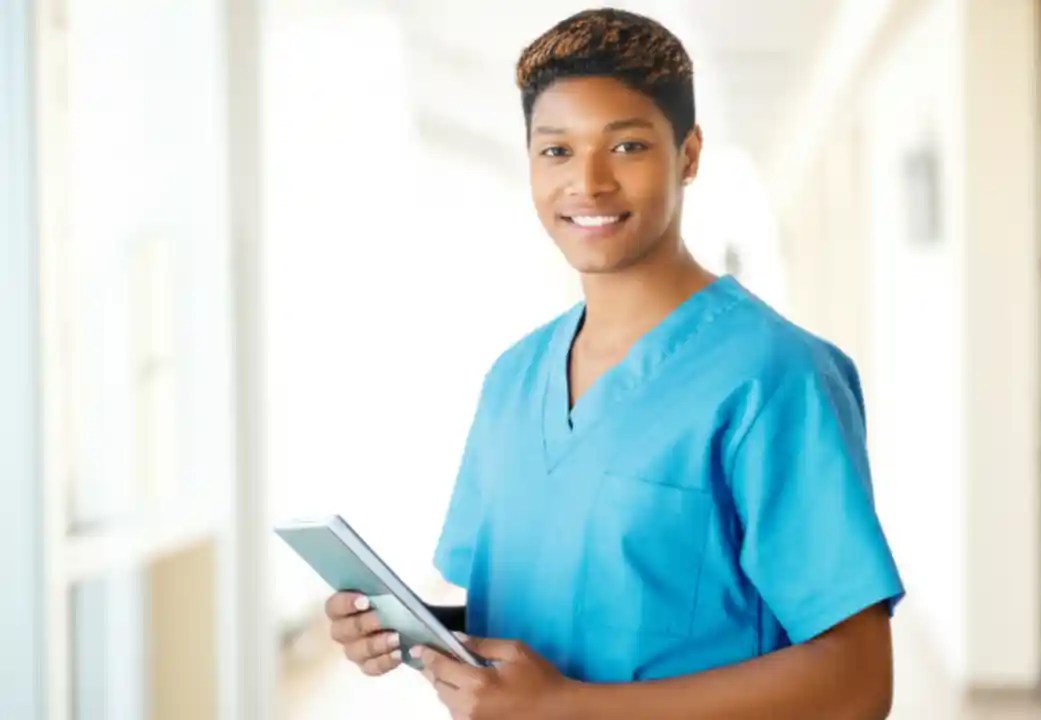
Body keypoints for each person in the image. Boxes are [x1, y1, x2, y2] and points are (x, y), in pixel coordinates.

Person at [323, 8, 904, 719]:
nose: (588, 183)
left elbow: (856, 682)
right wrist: (412, 630)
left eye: (626, 147)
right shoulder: (513, 380)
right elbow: (538, 609)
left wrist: (567, 705)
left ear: (688, 155)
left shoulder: (774, 376)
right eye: (557, 151)